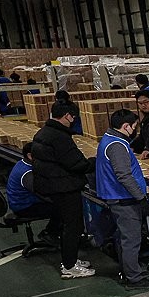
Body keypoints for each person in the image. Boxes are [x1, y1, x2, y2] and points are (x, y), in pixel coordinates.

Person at [31, 100, 96, 279]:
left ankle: (71, 259)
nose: (73, 120)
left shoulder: (43, 132)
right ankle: (69, 266)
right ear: (67, 115)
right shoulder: (59, 137)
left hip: (53, 186)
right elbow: (76, 163)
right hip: (64, 188)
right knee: (73, 226)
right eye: (73, 117)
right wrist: (95, 162)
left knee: (68, 224)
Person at [97, 110, 149, 289]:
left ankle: (130, 270)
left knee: (125, 238)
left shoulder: (109, 138)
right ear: (125, 126)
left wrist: (144, 180)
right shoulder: (117, 145)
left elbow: (120, 171)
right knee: (131, 240)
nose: (135, 130)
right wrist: (141, 198)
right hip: (124, 200)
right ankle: (134, 278)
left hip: (118, 197)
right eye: (134, 126)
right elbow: (123, 176)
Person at [6, 143, 61, 243]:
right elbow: (42, 193)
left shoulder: (22, 163)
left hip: (20, 201)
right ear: (30, 156)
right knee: (62, 207)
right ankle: (50, 233)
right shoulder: (27, 174)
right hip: (24, 207)